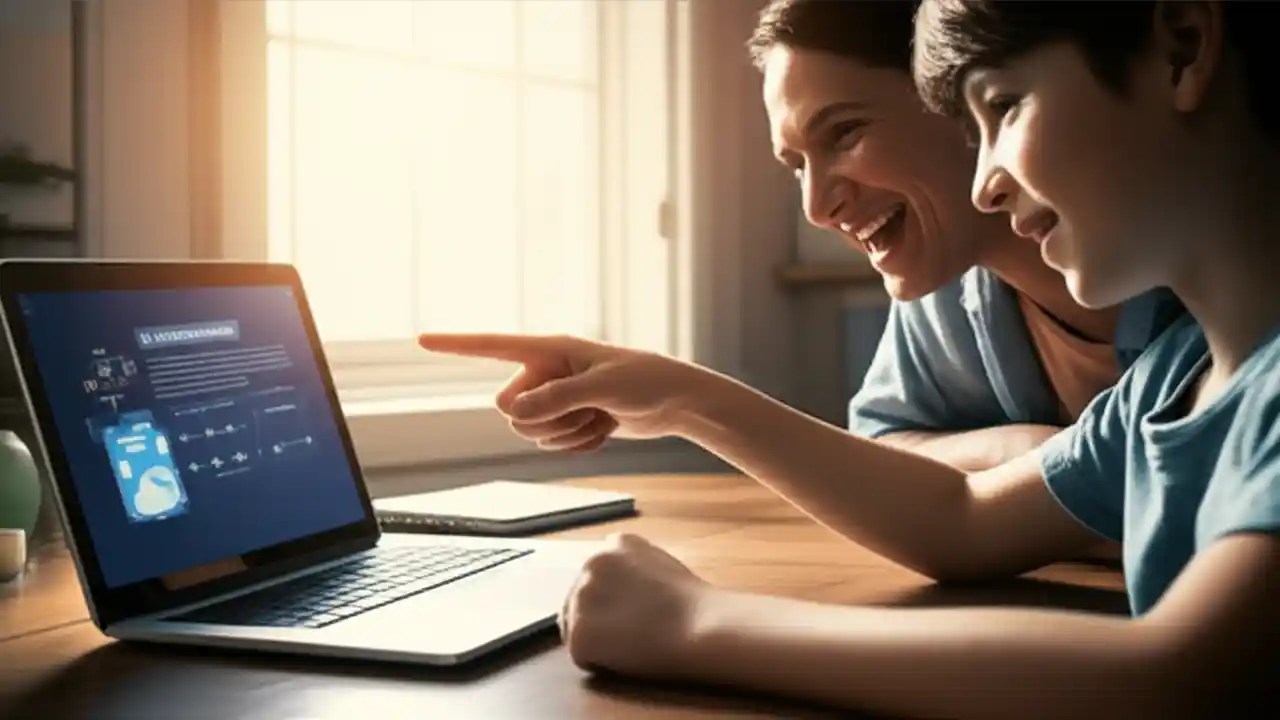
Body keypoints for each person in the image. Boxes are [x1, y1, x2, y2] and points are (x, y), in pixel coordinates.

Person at [417, 0, 1280, 716]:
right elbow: (958, 517)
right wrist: (681, 397)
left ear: (1180, 48)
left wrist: (696, 623)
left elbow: (1179, 673)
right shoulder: (1177, 381)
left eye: (1004, 106)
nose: (985, 180)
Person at [749, 0, 1183, 473]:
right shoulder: (943, 286)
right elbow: (878, 443)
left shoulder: (1203, 260)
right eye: (796, 166)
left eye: (844, 133)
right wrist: (1021, 453)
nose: (816, 208)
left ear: (951, 92)